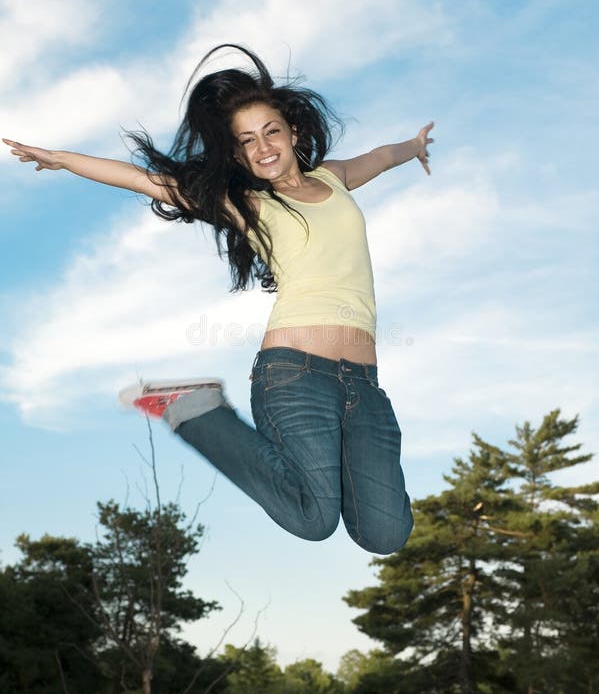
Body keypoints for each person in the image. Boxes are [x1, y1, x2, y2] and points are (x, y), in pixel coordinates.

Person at [3, 44, 433, 555]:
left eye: (271, 132)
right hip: (295, 375)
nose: (263, 147)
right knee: (314, 519)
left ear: (293, 133)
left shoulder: (332, 178)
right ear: (237, 155)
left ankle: (215, 417)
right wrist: (62, 160)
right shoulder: (247, 204)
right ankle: (197, 410)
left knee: (386, 534)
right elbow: (147, 180)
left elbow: (381, 158)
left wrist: (414, 146)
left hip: (364, 384)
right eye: (247, 141)